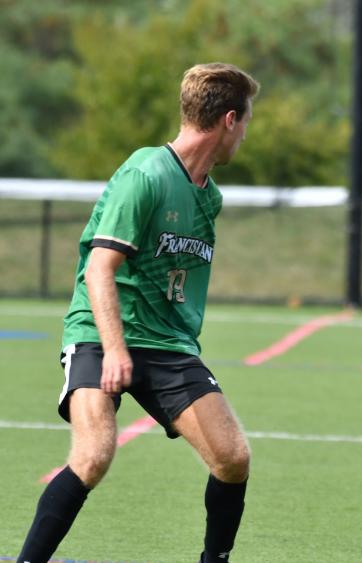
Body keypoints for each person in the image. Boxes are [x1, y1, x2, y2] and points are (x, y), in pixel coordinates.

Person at [17, 63, 258, 563]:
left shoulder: (209, 196)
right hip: (101, 333)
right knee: (94, 455)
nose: (246, 134)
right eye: (248, 121)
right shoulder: (145, 173)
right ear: (229, 120)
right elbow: (100, 270)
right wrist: (115, 350)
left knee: (232, 458)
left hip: (167, 345)